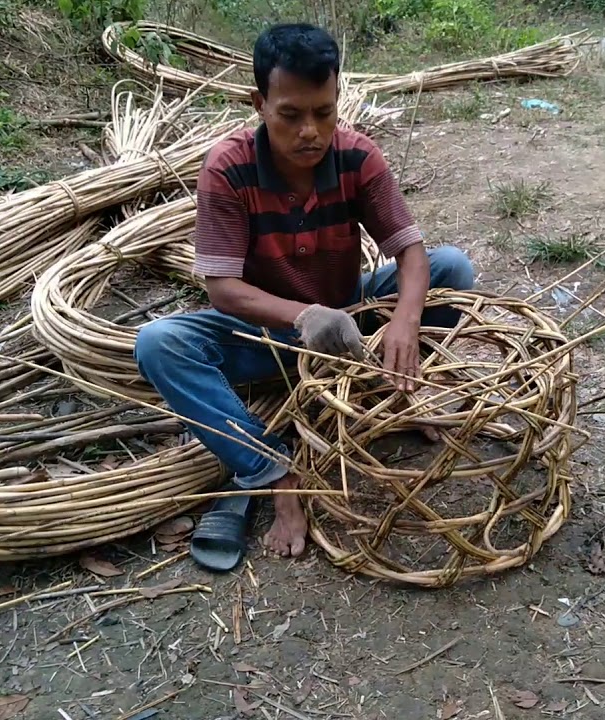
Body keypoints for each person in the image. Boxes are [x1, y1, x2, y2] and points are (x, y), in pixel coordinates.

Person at [134, 22, 475, 572]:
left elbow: (412, 254)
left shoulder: (357, 158)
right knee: (159, 344)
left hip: (351, 318)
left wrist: (405, 322)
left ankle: (396, 390)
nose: (310, 131)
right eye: (291, 114)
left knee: (451, 266)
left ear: (337, 99)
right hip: (267, 334)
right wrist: (305, 315)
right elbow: (222, 289)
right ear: (259, 103)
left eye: (324, 111)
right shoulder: (228, 170)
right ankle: (273, 470)